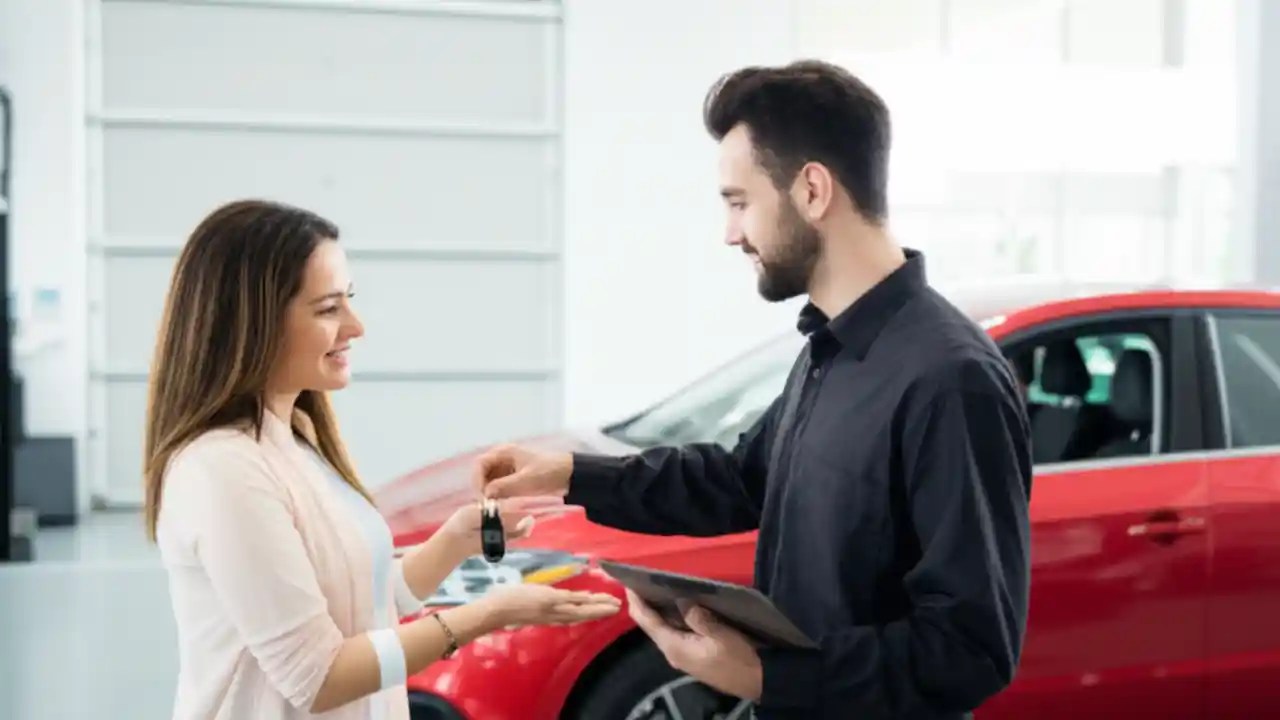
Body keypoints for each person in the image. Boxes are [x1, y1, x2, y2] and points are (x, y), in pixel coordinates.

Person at [473, 60, 1033, 720]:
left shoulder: (950, 380)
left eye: (739, 203)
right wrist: (570, 475)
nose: (730, 233)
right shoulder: (830, 348)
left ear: (813, 191)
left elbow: (969, 652)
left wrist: (767, 675)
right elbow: (743, 480)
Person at [143, 199, 620, 720]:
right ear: (251, 323)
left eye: (348, 299)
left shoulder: (293, 435)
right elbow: (318, 676)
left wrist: (455, 542)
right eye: (328, 309)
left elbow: (358, 602)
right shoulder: (222, 472)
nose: (356, 325)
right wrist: (489, 615)